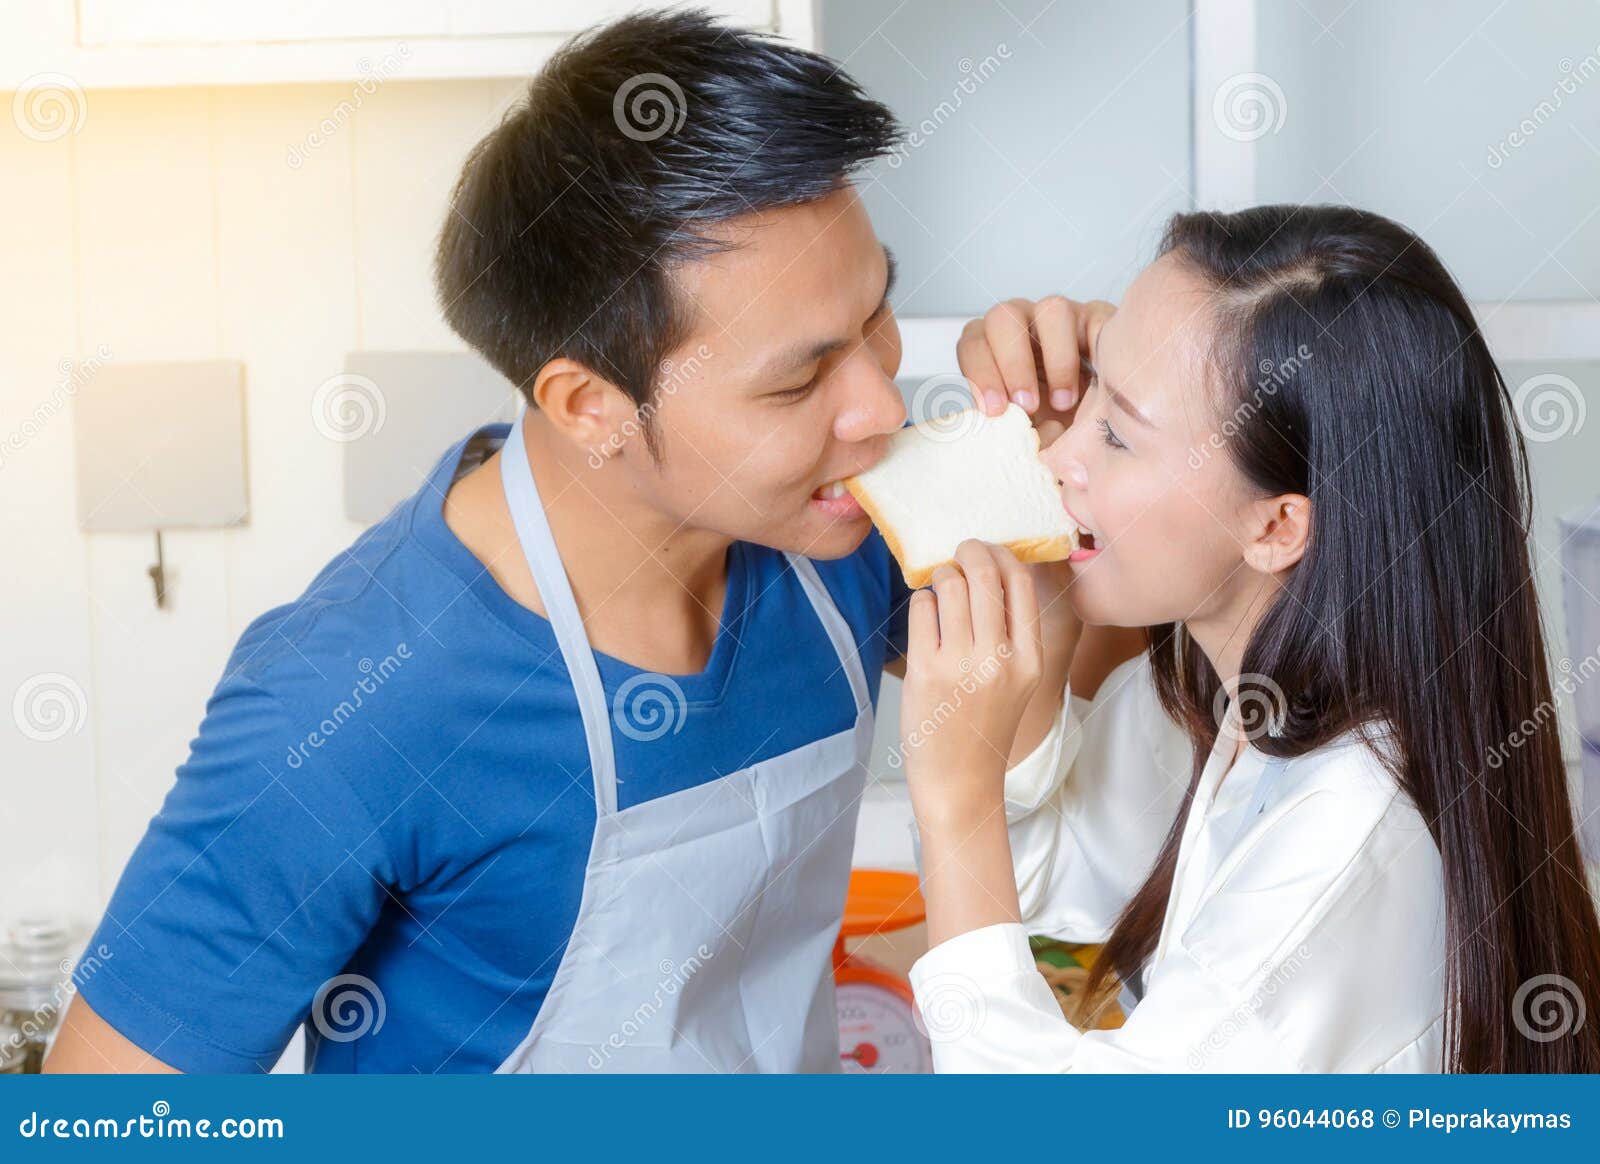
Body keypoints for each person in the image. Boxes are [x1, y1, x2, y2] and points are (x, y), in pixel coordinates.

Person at [46, 10, 1099, 1074]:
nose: (878, 407)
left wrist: (1084, 453)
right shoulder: (353, 695)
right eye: (797, 379)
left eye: (877, 314)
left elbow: (1079, 748)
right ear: (590, 406)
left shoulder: (843, 533)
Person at [899, 204, 1600, 1072]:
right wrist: (1040, 634)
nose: (1052, 460)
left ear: (1275, 527)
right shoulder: (1238, 700)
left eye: (1115, 432)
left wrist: (955, 796)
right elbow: (1047, 893)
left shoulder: (1344, 838)